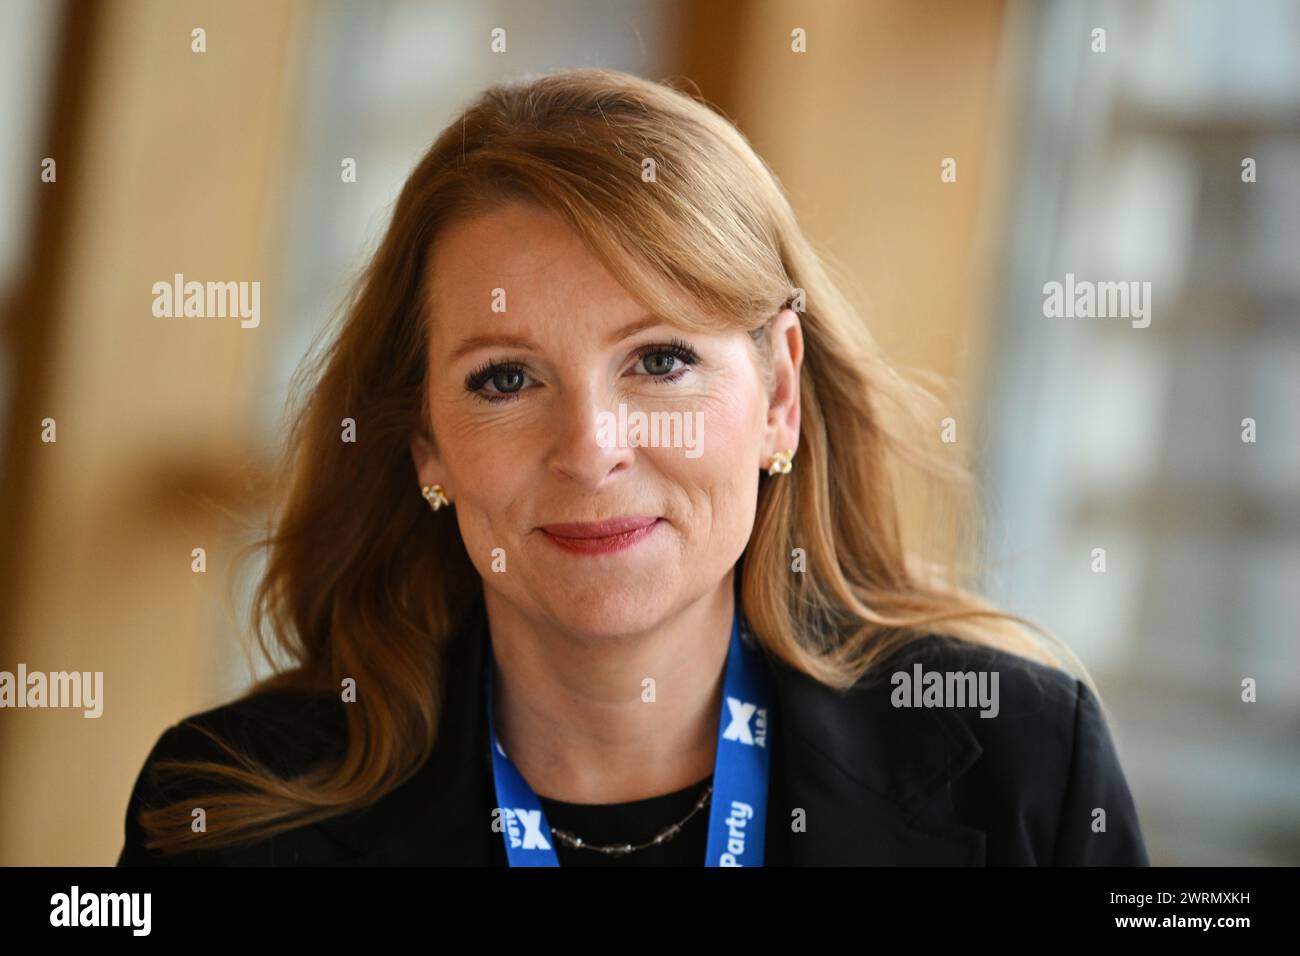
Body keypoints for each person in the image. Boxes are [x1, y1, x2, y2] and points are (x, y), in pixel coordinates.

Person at [117, 67, 1149, 867]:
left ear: (778, 397)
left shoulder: (1021, 762)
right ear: (424, 443)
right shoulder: (219, 811)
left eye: (660, 360)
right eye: (504, 379)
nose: (590, 448)